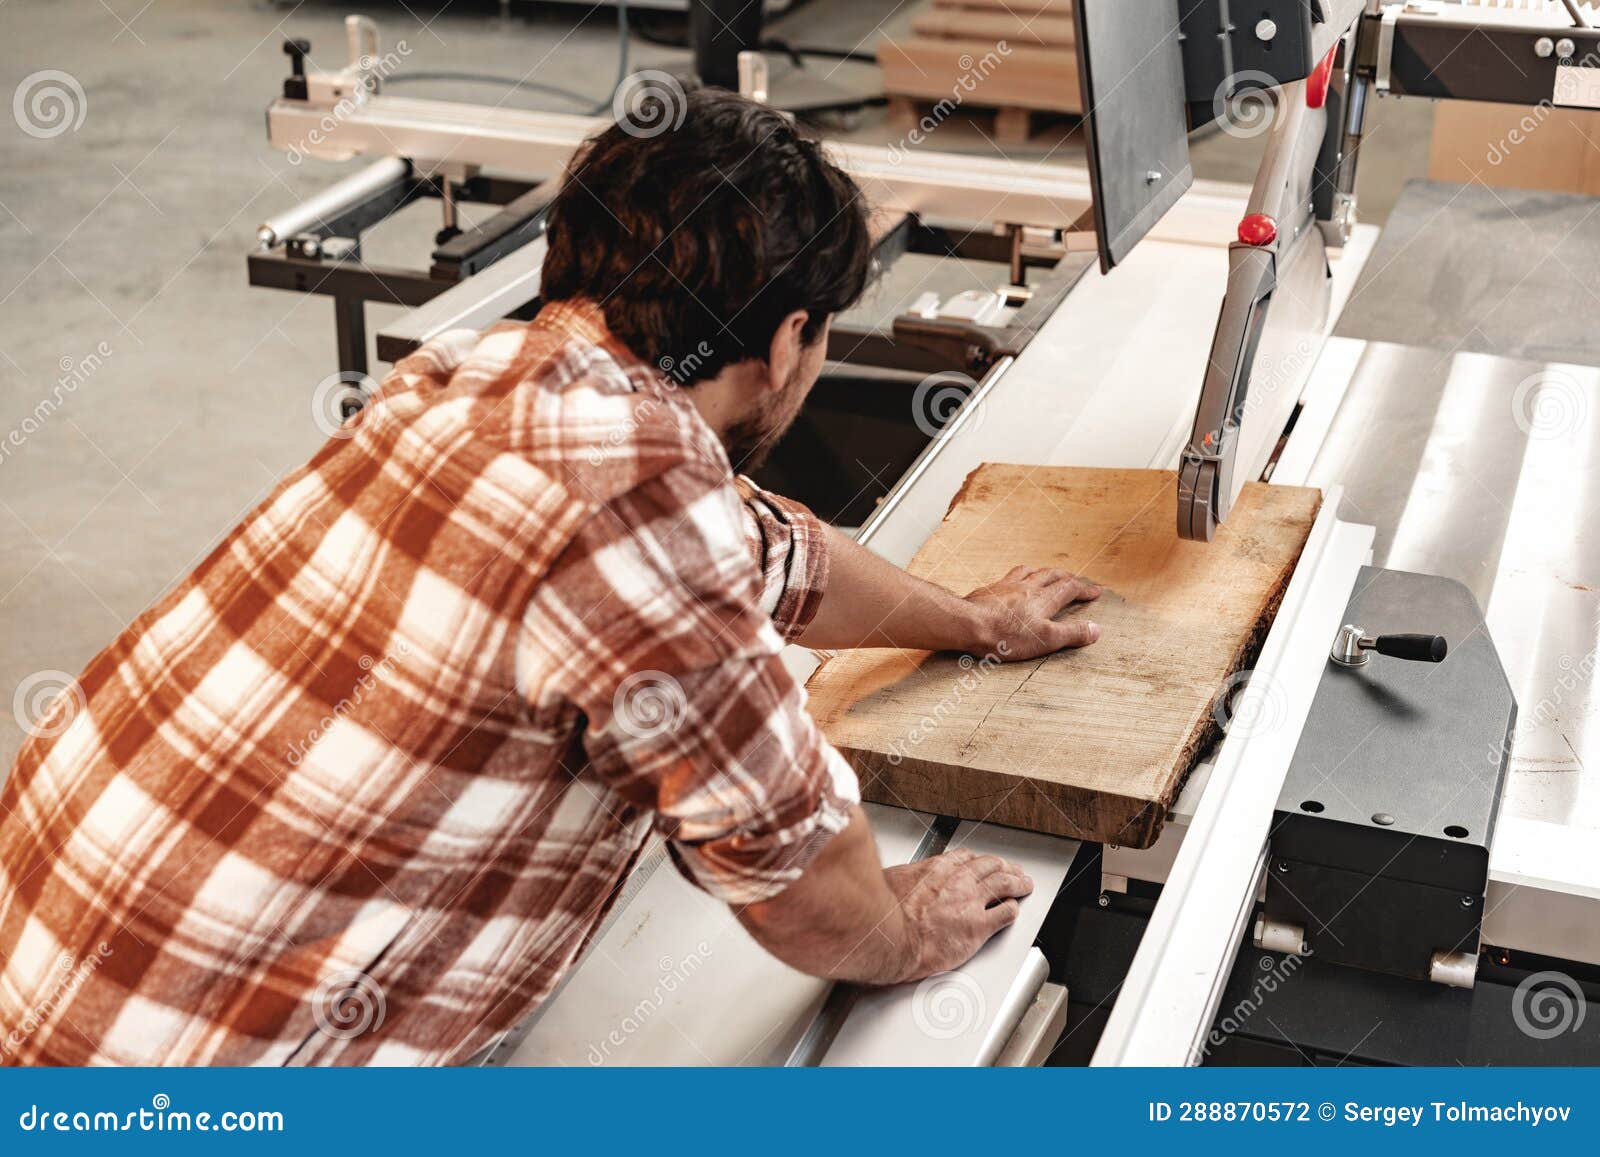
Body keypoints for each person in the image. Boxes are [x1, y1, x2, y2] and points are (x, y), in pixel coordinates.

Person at [0, 87, 1100, 1066]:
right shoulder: (641, 505)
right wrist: (908, 928)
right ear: (790, 339)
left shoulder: (474, 379)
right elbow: (799, 879)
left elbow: (777, 555)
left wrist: (977, 620)